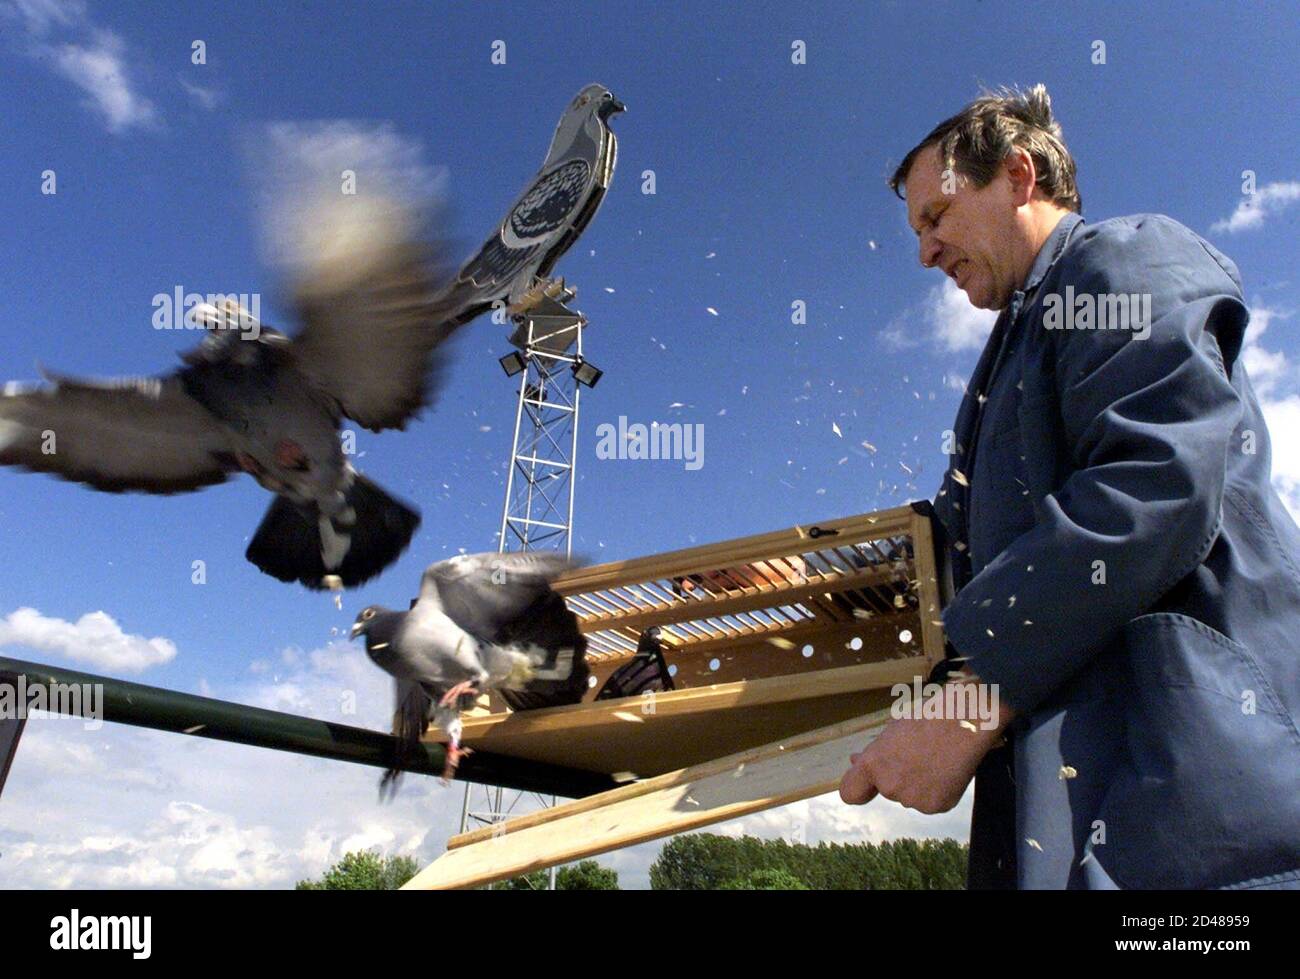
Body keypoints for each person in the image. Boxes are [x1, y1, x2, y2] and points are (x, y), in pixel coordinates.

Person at [839, 84, 1300, 890]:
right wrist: (819, 580)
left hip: (1195, 804)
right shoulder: (1002, 367)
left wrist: (975, 695)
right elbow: (948, 545)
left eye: (935, 218)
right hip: (1068, 808)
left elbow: (1155, 479)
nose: (924, 251)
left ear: (1018, 176)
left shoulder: (1120, 262)